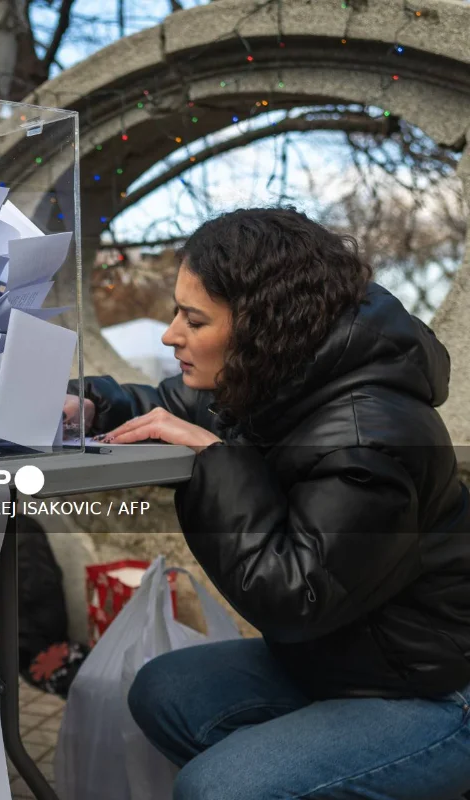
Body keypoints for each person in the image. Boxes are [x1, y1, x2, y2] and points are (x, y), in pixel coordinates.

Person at [63, 208, 470, 799]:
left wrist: (219, 464)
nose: (169, 334)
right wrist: (96, 405)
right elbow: (178, 405)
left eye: (193, 320)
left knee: (220, 788)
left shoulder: (371, 436)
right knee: (162, 690)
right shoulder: (284, 372)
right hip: (347, 661)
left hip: (433, 687)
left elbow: (293, 595)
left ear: (259, 325)